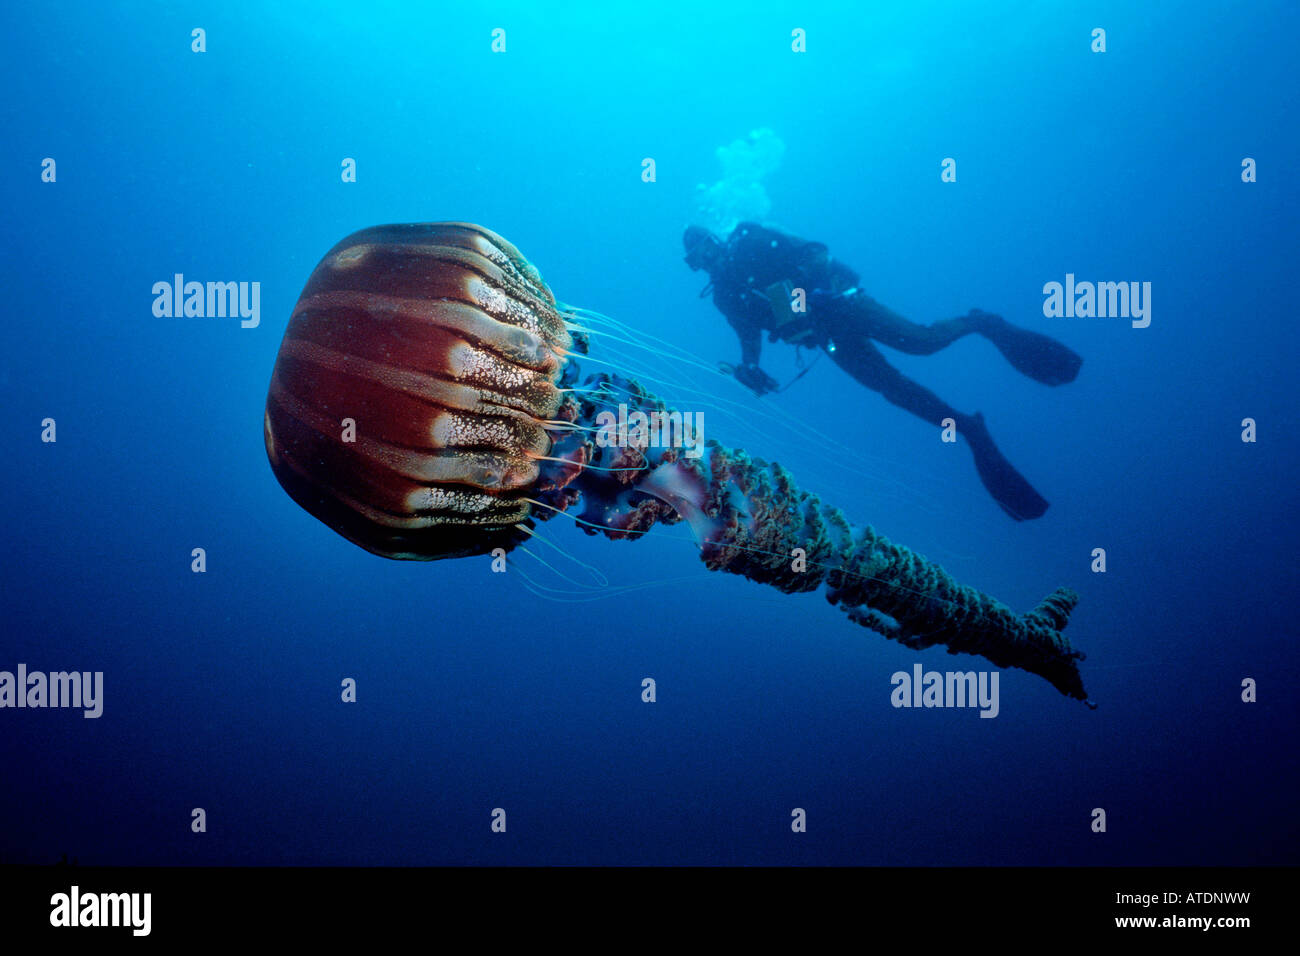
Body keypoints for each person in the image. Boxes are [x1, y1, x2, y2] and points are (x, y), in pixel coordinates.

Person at [682, 222, 1082, 521]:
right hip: (827, 337)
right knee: (891, 388)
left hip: (844, 306)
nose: (705, 257)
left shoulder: (751, 239)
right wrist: (750, 367)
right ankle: (967, 429)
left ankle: (981, 323)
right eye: (696, 257)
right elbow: (747, 335)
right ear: (694, 265)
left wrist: (793, 292)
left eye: (705, 245)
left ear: (715, 239)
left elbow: (816, 253)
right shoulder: (724, 296)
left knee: (920, 342)